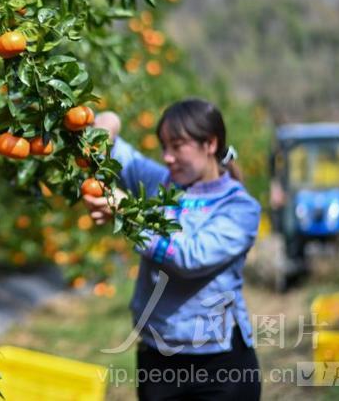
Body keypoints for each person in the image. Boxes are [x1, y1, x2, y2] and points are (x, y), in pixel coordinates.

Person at [85, 101, 261, 400]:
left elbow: (189, 257)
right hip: (157, 357)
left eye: (177, 146)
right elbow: (111, 147)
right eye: (164, 146)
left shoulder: (239, 207)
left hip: (220, 365)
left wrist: (127, 211)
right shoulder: (160, 184)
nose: (167, 157)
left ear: (210, 144)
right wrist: (108, 121)